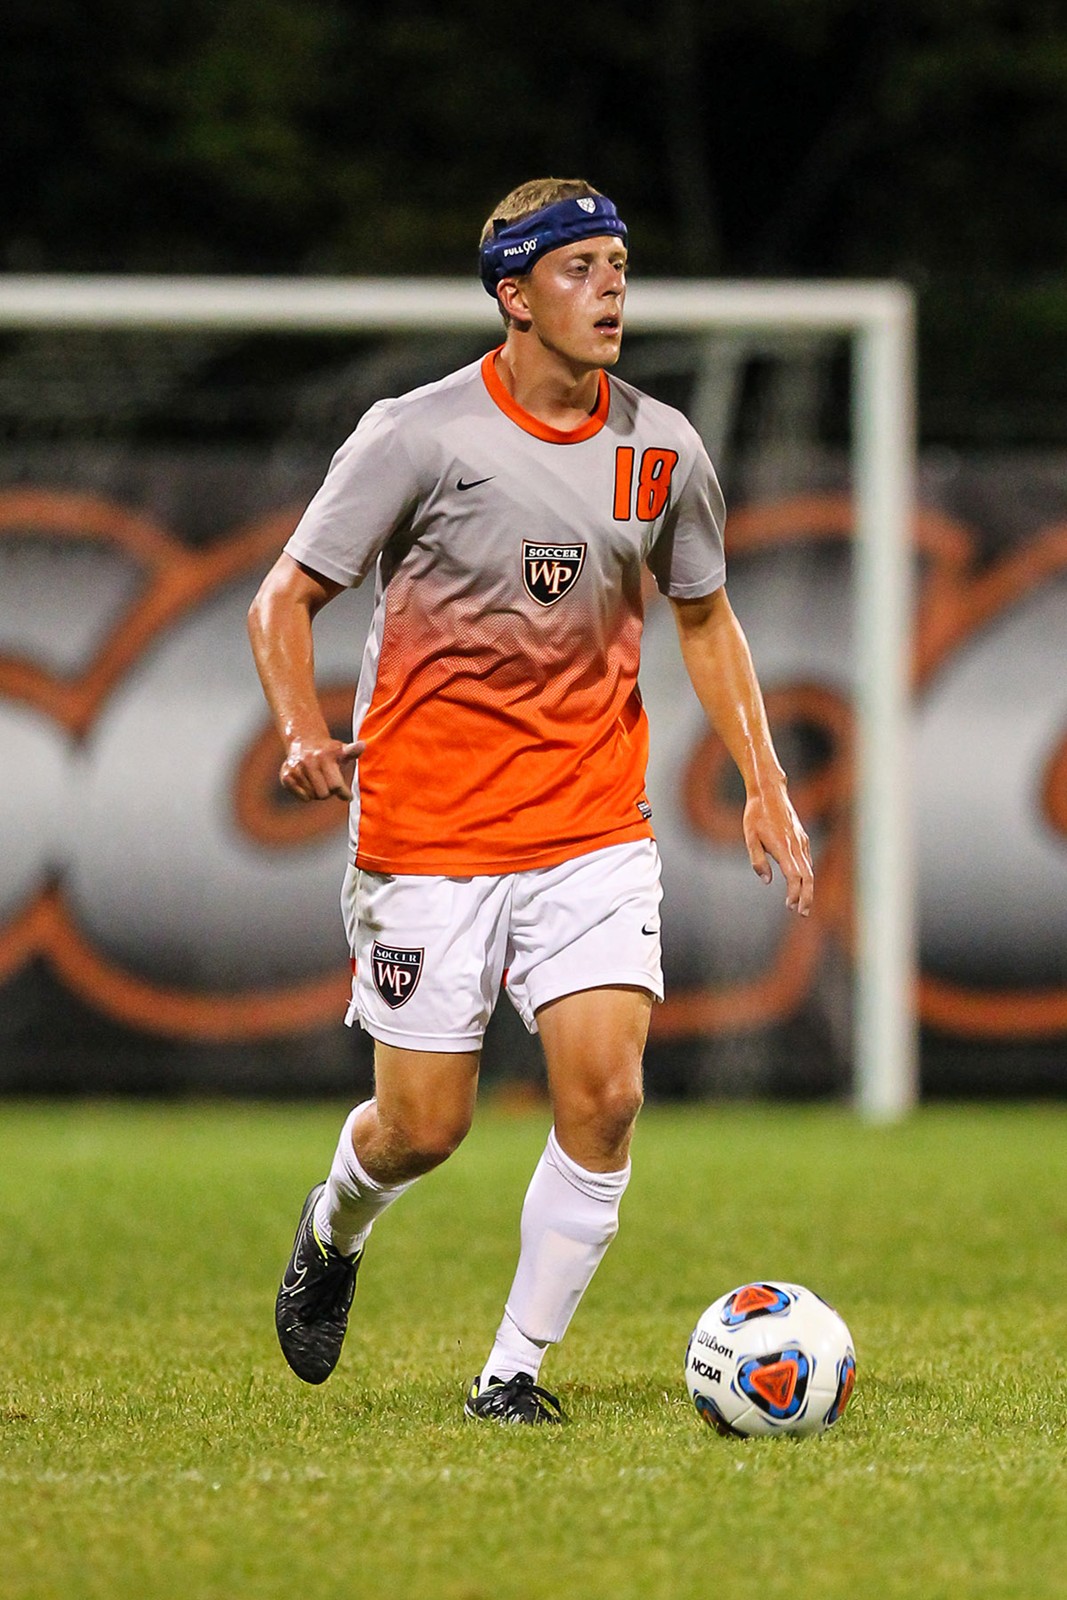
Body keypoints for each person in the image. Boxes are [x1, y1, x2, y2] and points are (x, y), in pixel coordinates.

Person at [247, 176, 814, 1425]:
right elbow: (281, 600)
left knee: (607, 1093)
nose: (610, 286)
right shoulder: (417, 434)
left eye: (617, 262)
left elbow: (705, 614)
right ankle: (335, 1225)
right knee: (423, 1128)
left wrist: (765, 782)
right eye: (578, 267)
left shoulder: (661, 448)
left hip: (591, 829)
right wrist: (299, 728)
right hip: (427, 835)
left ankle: (512, 1371)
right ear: (513, 294)